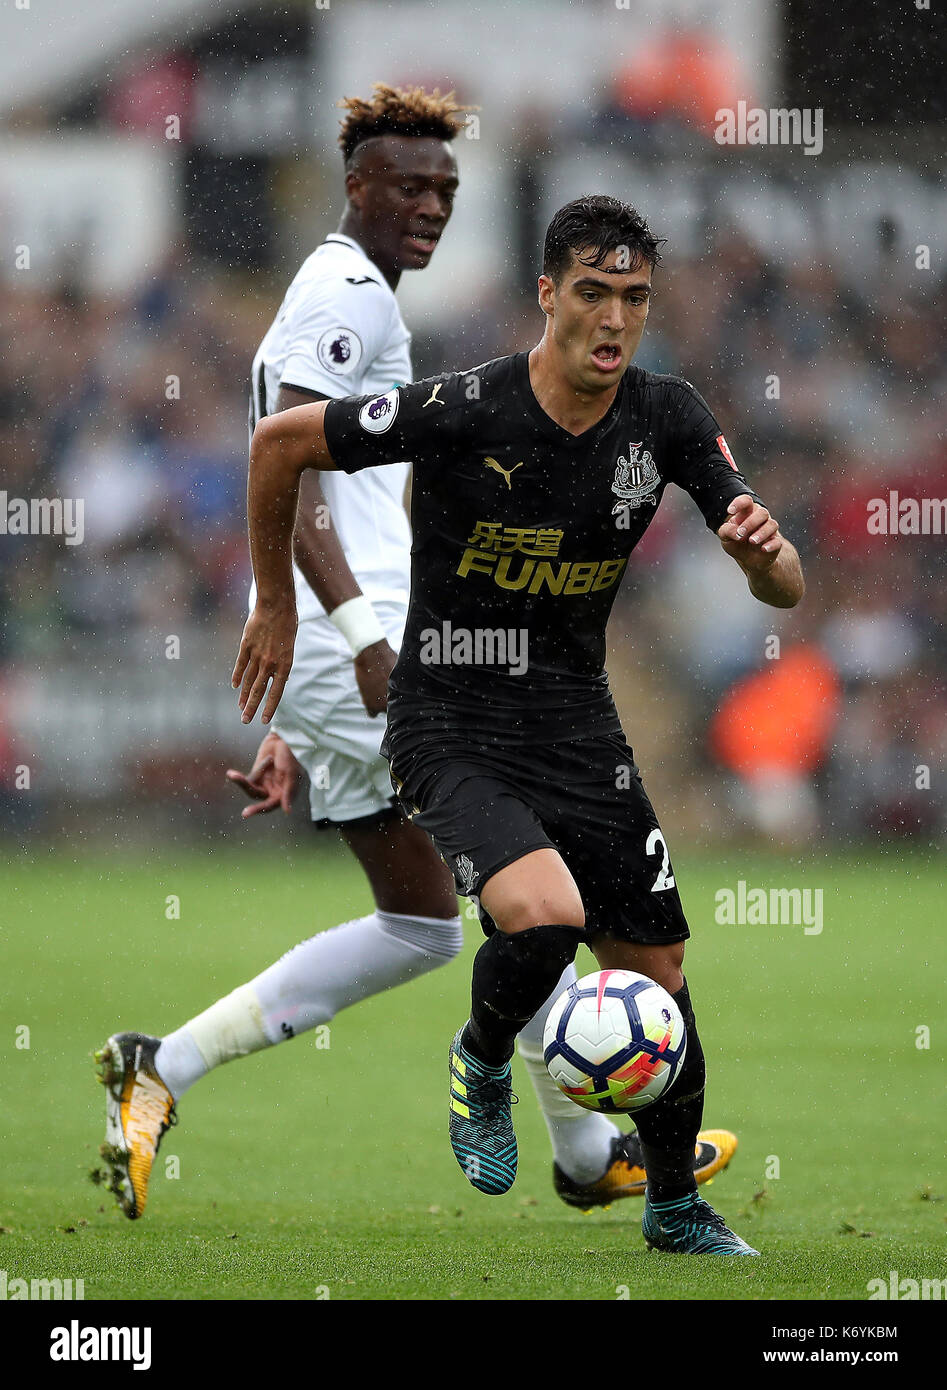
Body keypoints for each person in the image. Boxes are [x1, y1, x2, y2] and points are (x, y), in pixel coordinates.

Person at [95, 94, 731, 1221]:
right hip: (389, 649)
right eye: (408, 188)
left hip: (355, 659)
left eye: (445, 190)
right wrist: (345, 643)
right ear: (356, 189)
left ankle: (161, 1064)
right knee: (534, 897)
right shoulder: (343, 289)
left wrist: (305, 705)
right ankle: (588, 1151)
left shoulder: (352, 296)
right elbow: (284, 457)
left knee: (427, 920)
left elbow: (310, 475)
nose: (431, 207)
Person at [233, 195, 804, 1255]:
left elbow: (786, 586)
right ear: (548, 295)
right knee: (541, 915)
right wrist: (274, 601)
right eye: (592, 293)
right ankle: (483, 1057)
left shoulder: (668, 417)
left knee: (658, 983)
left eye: (633, 298)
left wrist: (766, 559)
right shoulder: (463, 407)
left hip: (578, 727)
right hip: (447, 716)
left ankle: (675, 1208)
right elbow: (277, 445)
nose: (614, 319)